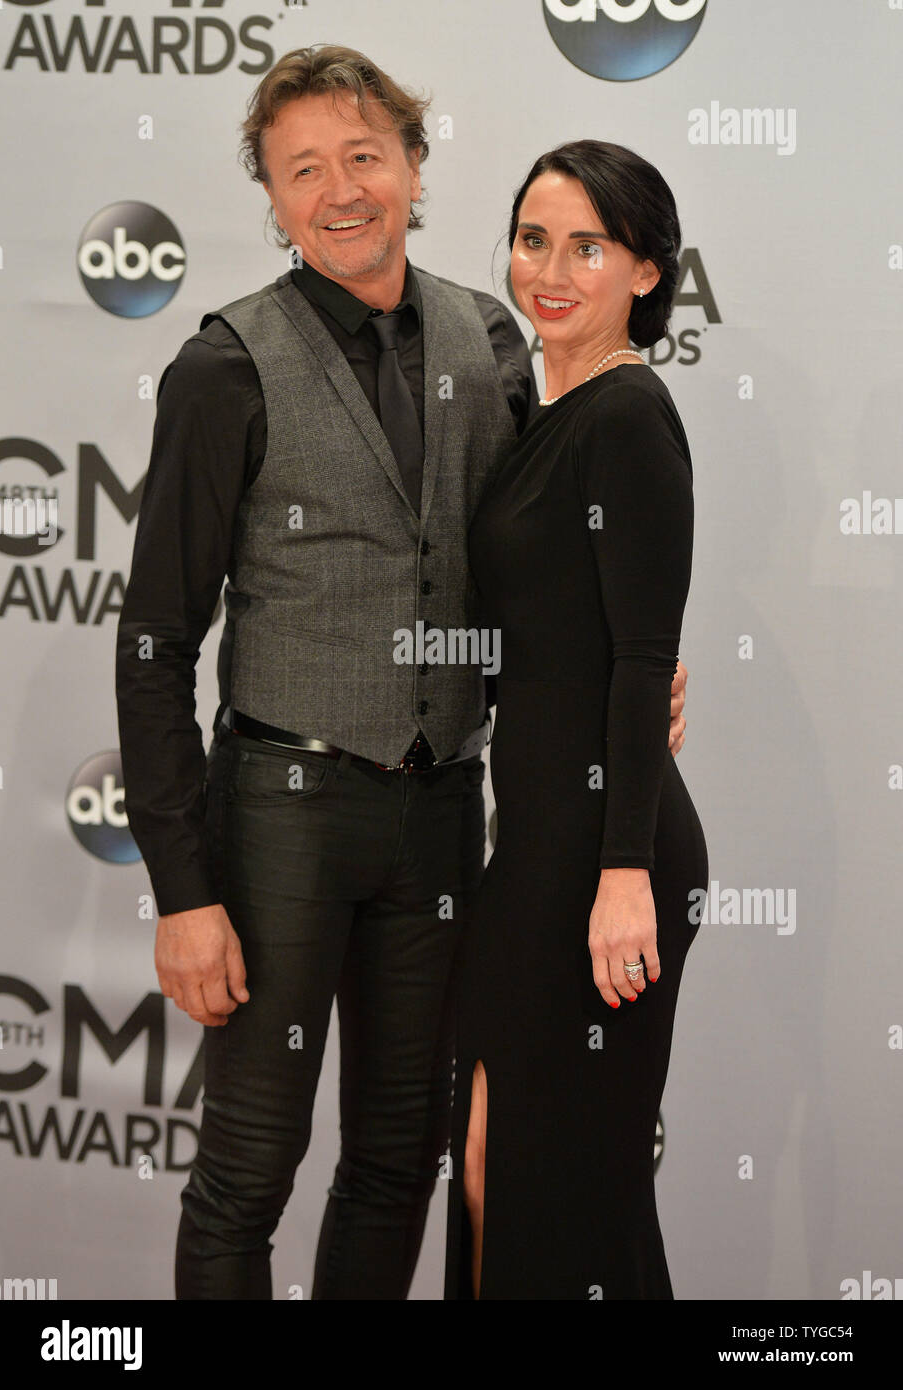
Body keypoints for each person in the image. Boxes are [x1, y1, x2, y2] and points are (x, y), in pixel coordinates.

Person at [115, 46, 688, 1301]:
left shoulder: (492, 339)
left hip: (443, 820)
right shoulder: (224, 368)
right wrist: (179, 887)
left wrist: (631, 677)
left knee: (396, 1162)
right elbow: (155, 641)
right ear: (270, 198)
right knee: (247, 1173)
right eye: (302, 168)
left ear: (416, 167)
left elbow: (554, 549)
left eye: (364, 156)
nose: (341, 191)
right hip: (280, 816)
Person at [444, 141, 708, 1300]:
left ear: (645, 272)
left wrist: (622, 875)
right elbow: (548, 643)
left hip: (609, 863)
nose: (549, 270)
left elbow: (643, 654)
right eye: (533, 238)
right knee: (495, 1163)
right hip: (536, 849)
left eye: (587, 247)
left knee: (569, 1185)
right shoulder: (539, 412)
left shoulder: (630, 414)